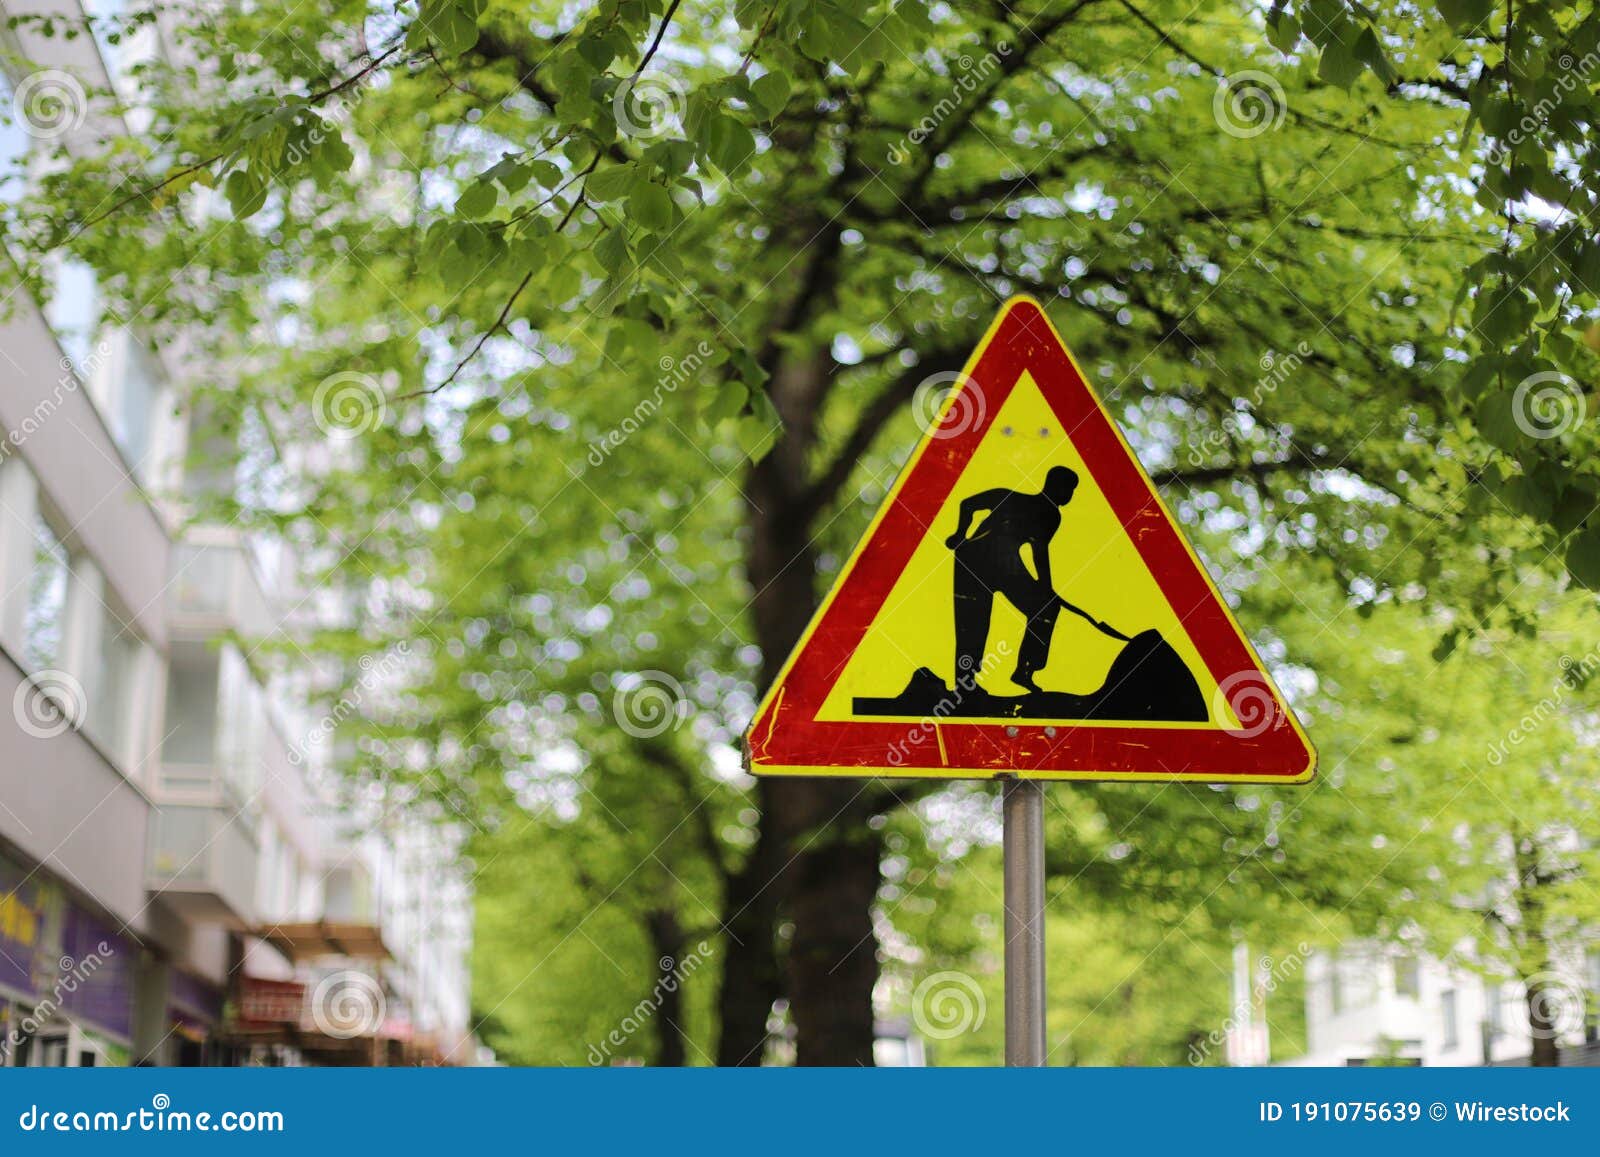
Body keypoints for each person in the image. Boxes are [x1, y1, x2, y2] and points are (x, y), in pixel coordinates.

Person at [943, 465, 1079, 692]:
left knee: (1046, 608)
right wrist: (960, 535)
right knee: (973, 624)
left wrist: (1047, 589)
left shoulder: (1052, 516)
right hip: (975, 560)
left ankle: (1024, 670)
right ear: (1054, 485)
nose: (1070, 494)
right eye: (1069, 488)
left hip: (1006, 565)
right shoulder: (1011, 497)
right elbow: (968, 504)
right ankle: (965, 684)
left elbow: (1039, 550)